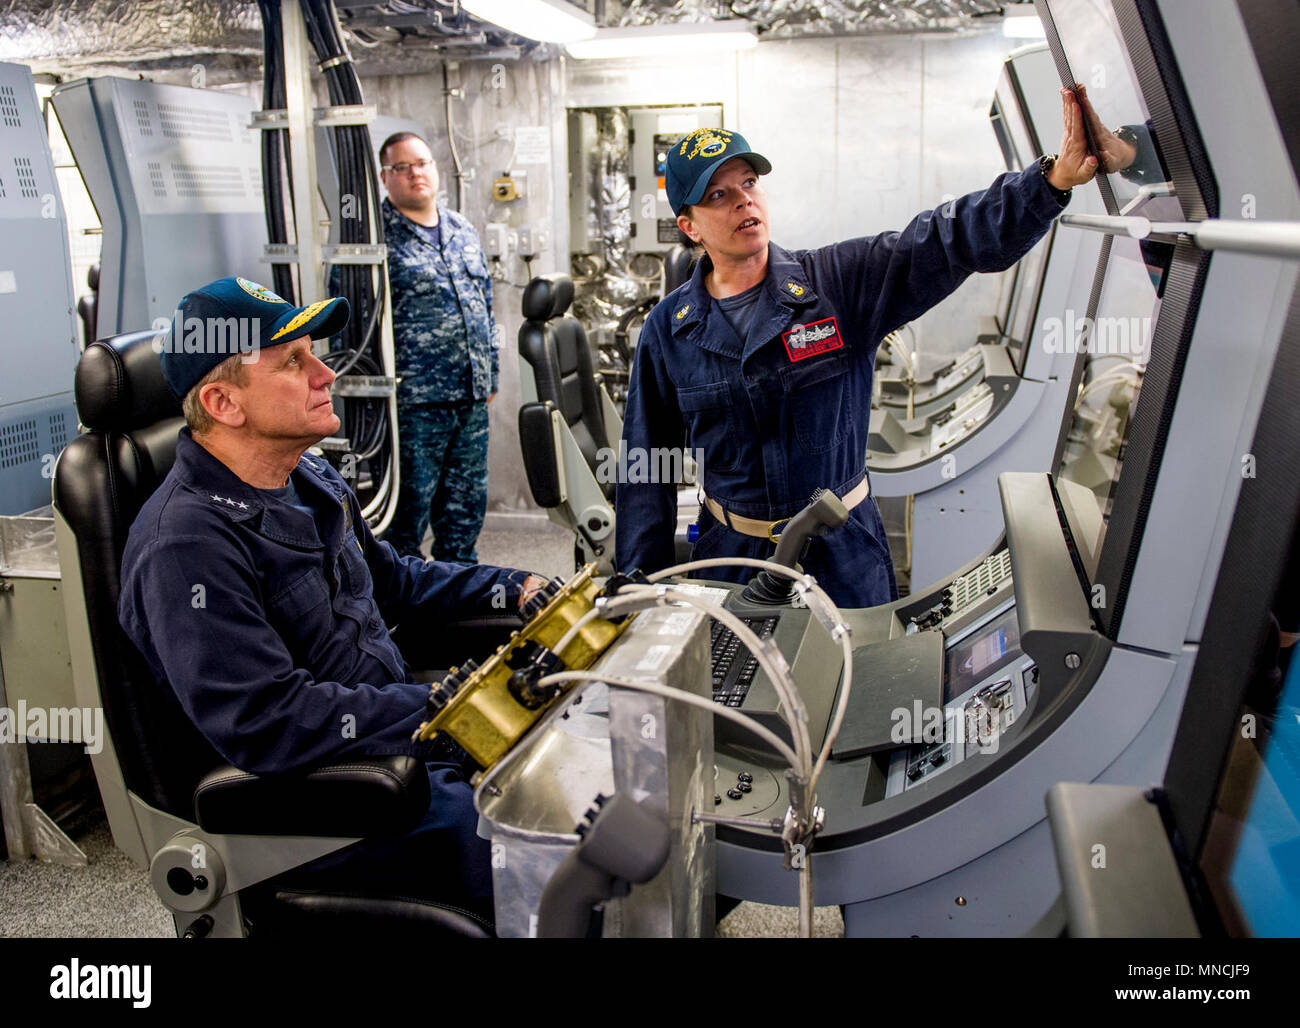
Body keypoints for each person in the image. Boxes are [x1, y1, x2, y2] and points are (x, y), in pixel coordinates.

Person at [118, 276, 547, 923]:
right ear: (223, 402)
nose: (326, 373)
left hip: (400, 747)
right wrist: (450, 715)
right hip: (333, 801)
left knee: (593, 783)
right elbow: (270, 723)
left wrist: (515, 587)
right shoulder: (184, 544)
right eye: (295, 361)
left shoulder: (306, 476)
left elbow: (396, 581)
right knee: (564, 860)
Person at [616, 89, 1101, 608]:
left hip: (841, 557)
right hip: (733, 558)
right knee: (739, 683)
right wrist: (638, 582)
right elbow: (648, 460)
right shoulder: (669, 330)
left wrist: (1049, 182)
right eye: (717, 194)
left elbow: (945, 239)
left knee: (859, 682)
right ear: (689, 226)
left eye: (749, 183)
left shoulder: (837, 284)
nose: (743, 200)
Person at [379, 131, 498, 563]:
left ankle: (458, 603)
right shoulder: (374, 243)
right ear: (384, 177)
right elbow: (355, 331)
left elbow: (484, 305)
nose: (415, 174)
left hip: (470, 398)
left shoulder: (461, 229)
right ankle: (397, 615)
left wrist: (491, 374)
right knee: (404, 517)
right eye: (402, 167)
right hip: (412, 404)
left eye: (423, 163)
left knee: (465, 510)